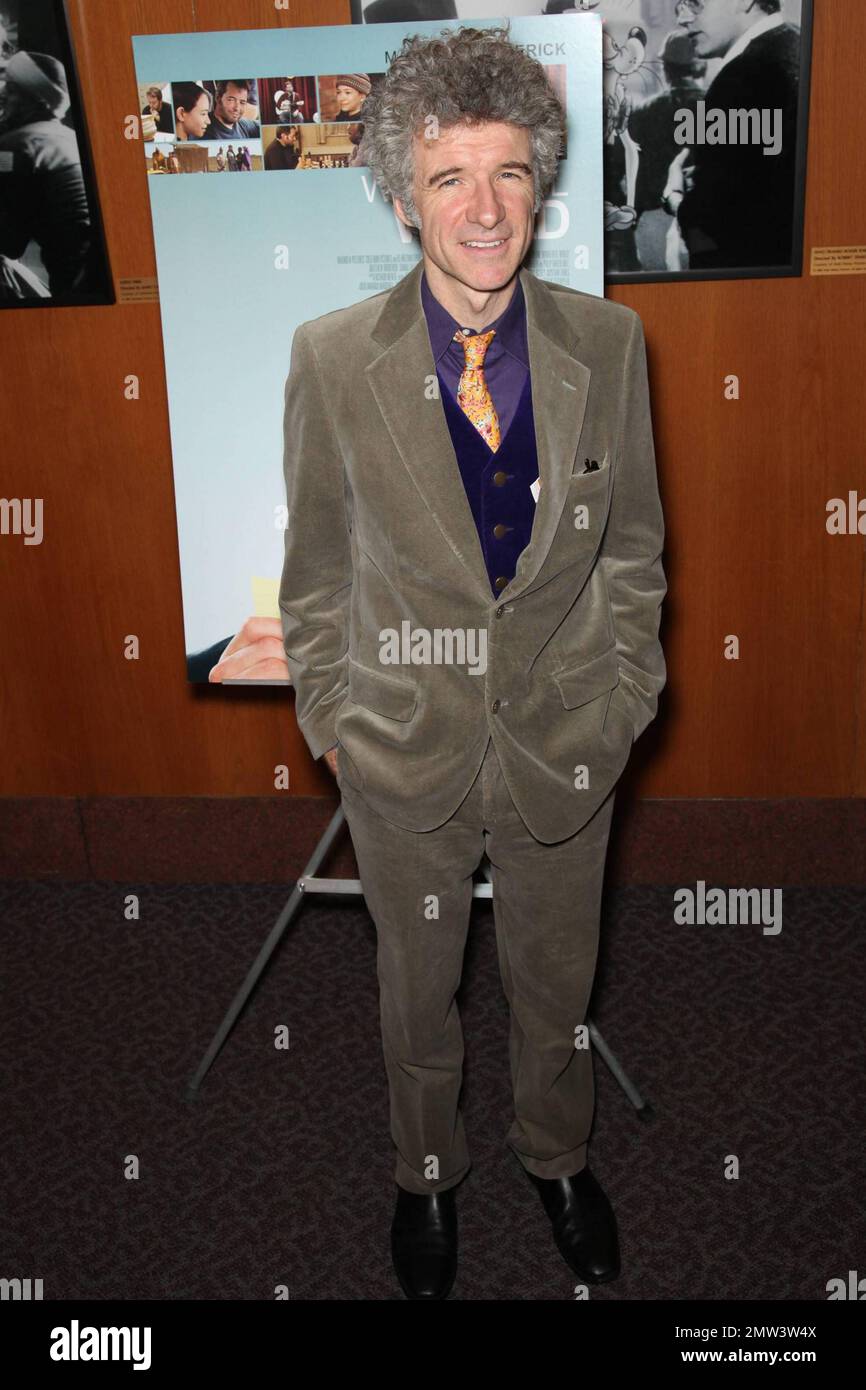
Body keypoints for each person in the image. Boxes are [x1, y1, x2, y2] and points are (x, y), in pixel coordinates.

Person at [279, 24, 666, 1301]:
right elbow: (319, 576)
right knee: (416, 997)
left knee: (556, 984)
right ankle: (427, 1174)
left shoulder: (607, 347)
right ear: (403, 199)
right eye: (449, 177)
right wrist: (336, 723)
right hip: (402, 757)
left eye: (507, 172)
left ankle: (555, 1155)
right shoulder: (333, 361)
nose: (482, 207)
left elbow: (634, 554)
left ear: (541, 185)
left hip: (566, 742)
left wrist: (621, 704)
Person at [671, 0, 801, 270]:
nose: (682, 19)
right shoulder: (799, 45)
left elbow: (712, 221)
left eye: (694, 4)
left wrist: (675, 195)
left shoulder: (743, 74)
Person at [0, 50, 92, 297]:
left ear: (36, 100)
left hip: (76, 279)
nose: (3, 95)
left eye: (11, 88)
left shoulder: (16, 144)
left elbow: (9, 244)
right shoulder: (68, 137)